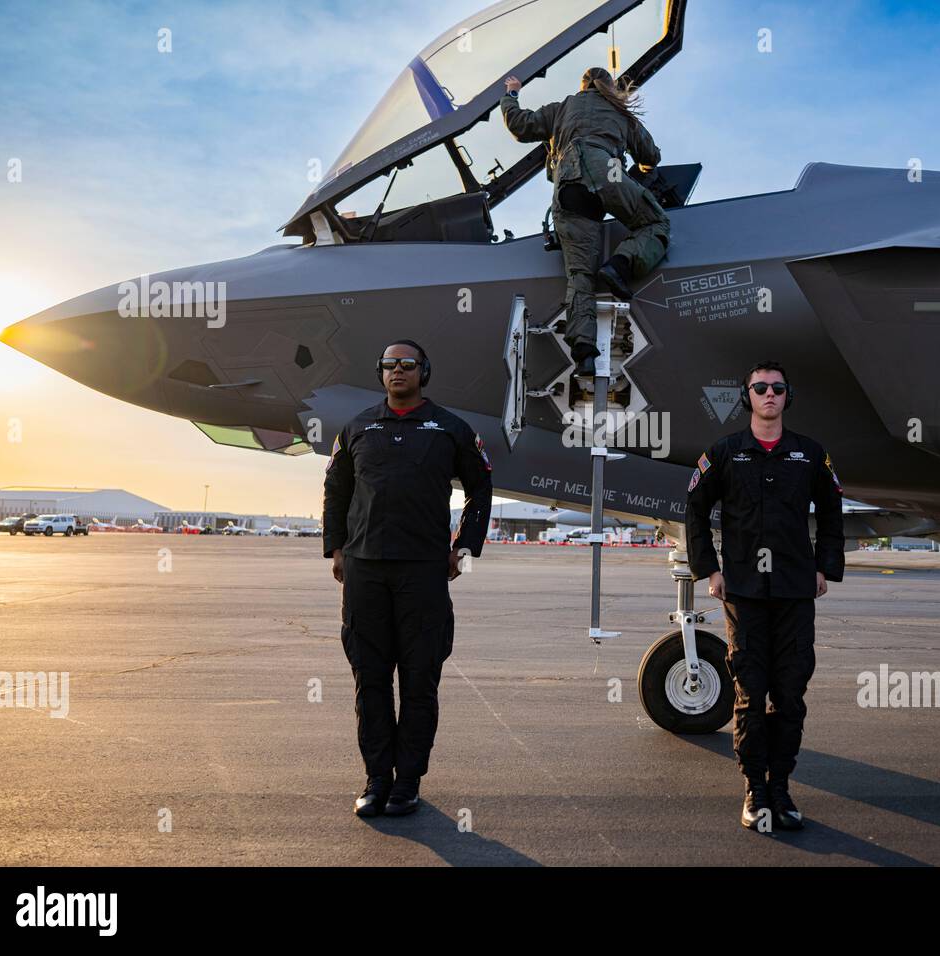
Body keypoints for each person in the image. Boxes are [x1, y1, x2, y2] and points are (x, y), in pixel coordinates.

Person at [323, 339, 493, 817]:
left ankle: (408, 782)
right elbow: (335, 489)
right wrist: (336, 548)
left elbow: (481, 486)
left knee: (420, 680)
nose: (397, 371)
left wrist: (465, 547)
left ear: (425, 371)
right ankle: (377, 779)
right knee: (370, 678)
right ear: (380, 374)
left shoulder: (450, 429)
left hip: (424, 572)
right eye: (389, 365)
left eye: (407, 364)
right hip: (365, 570)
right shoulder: (358, 427)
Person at [685, 361, 845, 831]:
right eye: (760, 388)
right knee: (751, 696)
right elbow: (695, 508)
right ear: (747, 396)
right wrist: (709, 569)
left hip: (795, 591)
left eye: (777, 388)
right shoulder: (726, 452)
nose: (769, 394)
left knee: (790, 697)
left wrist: (824, 568)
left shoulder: (811, 454)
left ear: (787, 397)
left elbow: (833, 511)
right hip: (745, 594)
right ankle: (755, 791)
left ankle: (782, 789)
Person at [500, 67, 671, 375]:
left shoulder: (562, 107)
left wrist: (511, 94)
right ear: (608, 86)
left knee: (580, 275)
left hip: (568, 186)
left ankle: (584, 353)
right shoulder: (621, 112)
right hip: (609, 172)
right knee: (655, 223)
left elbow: (520, 125)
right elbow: (651, 155)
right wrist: (644, 169)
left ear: (582, 86)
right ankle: (620, 265)